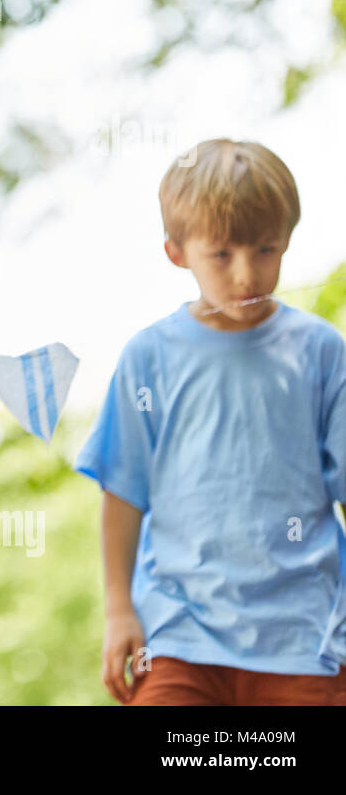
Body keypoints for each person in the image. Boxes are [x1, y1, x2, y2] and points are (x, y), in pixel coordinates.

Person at [77, 139, 346, 705]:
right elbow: (123, 493)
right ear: (178, 252)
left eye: (266, 249)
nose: (247, 275)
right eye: (222, 254)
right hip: (179, 634)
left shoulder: (321, 351)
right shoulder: (149, 356)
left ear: (288, 241)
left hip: (306, 635)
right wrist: (119, 609)